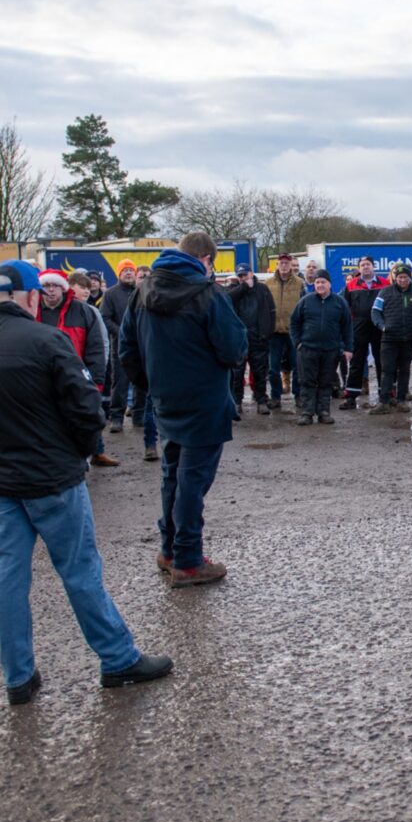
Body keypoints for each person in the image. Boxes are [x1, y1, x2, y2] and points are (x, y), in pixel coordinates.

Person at [0, 260, 172, 704]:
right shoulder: (47, 340)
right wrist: (79, 450)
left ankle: (17, 676)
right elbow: (88, 409)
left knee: (7, 572)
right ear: (29, 296)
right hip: (51, 476)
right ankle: (118, 659)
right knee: (79, 570)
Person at [119, 233, 247, 587]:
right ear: (206, 260)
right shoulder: (209, 295)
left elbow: (126, 349)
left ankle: (170, 549)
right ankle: (188, 558)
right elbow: (233, 349)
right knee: (192, 480)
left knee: (172, 474)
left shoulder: (142, 292)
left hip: (165, 399)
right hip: (204, 401)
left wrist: (153, 385)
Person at [39, 269, 117, 468]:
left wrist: (96, 383)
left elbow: (97, 349)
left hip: (76, 382)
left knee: (78, 428)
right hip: (41, 384)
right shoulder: (32, 312)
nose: (50, 291)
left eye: (54, 285)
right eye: (46, 286)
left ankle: (80, 466)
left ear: (63, 287)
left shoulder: (84, 311)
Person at [289, 270, 353, 425]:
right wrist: (298, 343)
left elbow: (347, 327)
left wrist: (348, 348)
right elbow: (294, 323)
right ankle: (307, 412)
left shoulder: (339, 303)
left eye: (323, 282)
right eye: (317, 282)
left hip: (330, 350)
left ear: (329, 284)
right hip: (307, 349)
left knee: (326, 382)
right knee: (306, 381)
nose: (320, 285)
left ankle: (324, 412)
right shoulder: (306, 301)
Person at [370, 264, 412, 414]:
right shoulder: (385, 292)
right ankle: (384, 402)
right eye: (399, 277)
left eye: (405, 277)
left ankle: (401, 400)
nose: (402, 280)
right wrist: (382, 326)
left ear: (409, 278)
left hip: (409, 338)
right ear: (395, 278)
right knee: (387, 370)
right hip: (389, 338)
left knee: (404, 370)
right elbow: (375, 312)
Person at [227, 267, 275, 416]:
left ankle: (261, 400)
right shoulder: (233, 289)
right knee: (237, 373)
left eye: (245, 274)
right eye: (239, 275)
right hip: (239, 339)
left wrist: (267, 332)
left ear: (251, 274)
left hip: (258, 337)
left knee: (260, 372)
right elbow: (226, 300)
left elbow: (271, 311)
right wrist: (243, 287)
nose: (242, 277)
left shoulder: (262, 289)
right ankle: (237, 402)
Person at [341, 258, 386, 410]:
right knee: (356, 362)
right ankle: (351, 397)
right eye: (362, 265)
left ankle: (385, 395)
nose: (365, 267)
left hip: (379, 326)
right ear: (359, 268)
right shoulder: (351, 285)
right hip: (358, 327)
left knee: (382, 361)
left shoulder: (385, 284)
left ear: (374, 266)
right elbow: (345, 307)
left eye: (368, 264)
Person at [101, 261, 139, 431]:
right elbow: (105, 318)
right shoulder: (110, 294)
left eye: (131, 270)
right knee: (120, 382)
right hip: (121, 345)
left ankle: (139, 415)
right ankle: (117, 417)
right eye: (125, 270)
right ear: (119, 274)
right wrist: (122, 333)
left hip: (141, 345)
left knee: (141, 382)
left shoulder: (141, 293)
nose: (129, 273)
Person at [266, 253, 304, 411]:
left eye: (287, 263)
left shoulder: (300, 283)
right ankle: (275, 397)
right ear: (277, 264)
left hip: (293, 331)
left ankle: (298, 396)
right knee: (272, 367)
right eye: (281, 263)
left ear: (291, 265)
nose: (284, 265)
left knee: (297, 365)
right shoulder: (268, 283)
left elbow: (304, 306)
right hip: (274, 331)